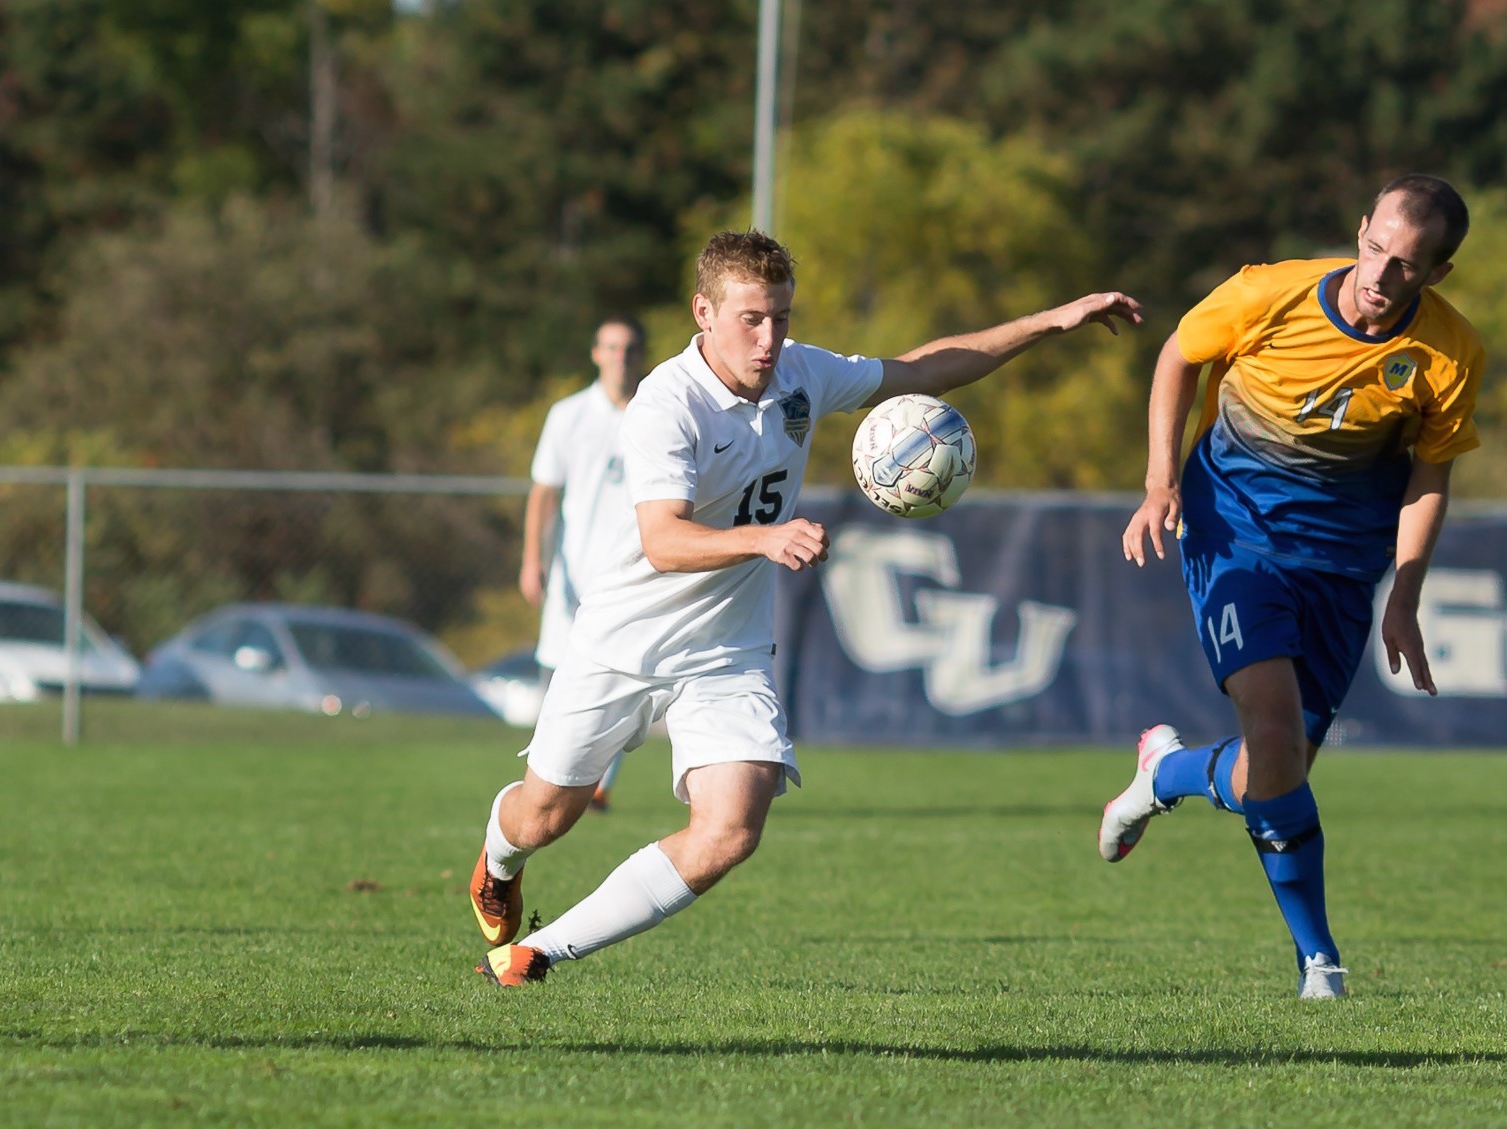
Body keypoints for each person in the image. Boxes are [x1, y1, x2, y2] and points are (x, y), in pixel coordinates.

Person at [471, 228, 1142, 986]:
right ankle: (498, 864)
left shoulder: (800, 374)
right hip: (622, 642)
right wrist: (765, 537)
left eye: (781, 317)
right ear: (703, 312)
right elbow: (661, 540)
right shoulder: (667, 403)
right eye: (750, 318)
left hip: (725, 648)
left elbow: (925, 367)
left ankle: (538, 952)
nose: (769, 338)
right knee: (544, 817)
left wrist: (1050, 321)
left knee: (730, 828)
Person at [1100, 175, 1484, 1000]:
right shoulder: (1265, 294)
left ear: (1436, 275)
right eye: (1374, 248)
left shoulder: (1449, 354)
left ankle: (1164, 773)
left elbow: (1428, 474)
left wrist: (1404, 594)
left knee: (1275, 774)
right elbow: (1177, 354)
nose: (1379, 276)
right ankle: (1321, 962)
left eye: (1406, 266)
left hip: (1343, 565)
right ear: (1359, 231)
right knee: (1272, 741)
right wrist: (1160, 482)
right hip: (1233, 534)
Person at [517, 314, 647, 812]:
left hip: (636, 573)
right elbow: (544, 493)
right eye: (611, 348)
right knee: (559, 677)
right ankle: (547, 777)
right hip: (575, 573)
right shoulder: (568, 415)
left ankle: (599, 785)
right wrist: (534, 560)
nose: (620, 357)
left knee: (626, 679)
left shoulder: (657, 413)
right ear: (596, 354)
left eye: (629, 348)